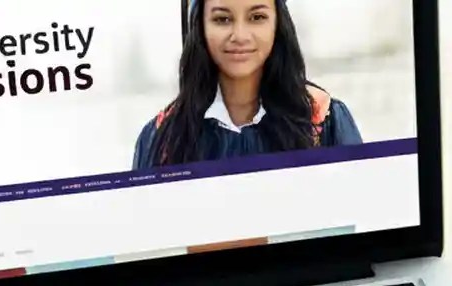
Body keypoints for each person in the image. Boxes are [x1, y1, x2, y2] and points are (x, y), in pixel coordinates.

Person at [133, 0, 363, 170]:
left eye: (257, 17)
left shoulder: (325, 121)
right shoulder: (163, 139)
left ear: (277, 23)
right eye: (222, 19)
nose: (240, 35)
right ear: (200, 26)